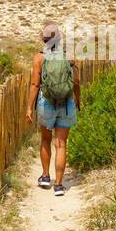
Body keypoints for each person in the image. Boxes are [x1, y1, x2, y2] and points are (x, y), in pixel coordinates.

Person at [26, 22, 81, 196]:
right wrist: (78, 100)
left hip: (46, 102)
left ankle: (44, 176)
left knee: (45, 139)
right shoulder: (69, 57)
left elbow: (35, 84)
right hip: (66, 103)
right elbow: (76, 83)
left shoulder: (39, 58)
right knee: (61, 144)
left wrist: (29, 107)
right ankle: (58, 185)